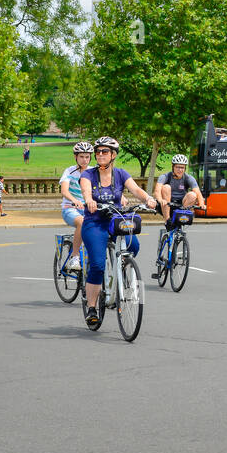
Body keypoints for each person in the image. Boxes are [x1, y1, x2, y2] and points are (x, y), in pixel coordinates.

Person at [78, 137, 157, 328]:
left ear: (113, 155)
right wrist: (89, 200)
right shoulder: (88, 175)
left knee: (134, 246)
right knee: (97, 264)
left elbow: (135, 189)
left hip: (116, 220)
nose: (100, 155)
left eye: (105, 152)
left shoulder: (121, 174)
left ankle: (118, 274)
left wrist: (148, 199)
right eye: (98, 152)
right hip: (95, 222)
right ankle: (92, 307)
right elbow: (86, 191)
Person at [154, 154, 202, 280]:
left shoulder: (188, 178)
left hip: (180, 206)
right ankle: (167, 221)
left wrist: (202, 204)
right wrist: (160, 200)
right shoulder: (165, 176)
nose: (180, 170)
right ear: (173, 167)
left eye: (182, 167)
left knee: (192, 195)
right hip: (166, 204)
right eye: (178, 167)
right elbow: (158, 190)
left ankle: (180, 220)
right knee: (166, 187)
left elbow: (197, 192)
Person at [59, 142, 94, 270]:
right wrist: (75, 200)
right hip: (70, 209)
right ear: (76, 157)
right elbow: (64, 191)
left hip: (89, 209)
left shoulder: (93, 171)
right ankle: (74, 257)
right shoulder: (69, 171)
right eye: (81, 157)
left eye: (87, 157)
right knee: (82, 222)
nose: (84, 160)